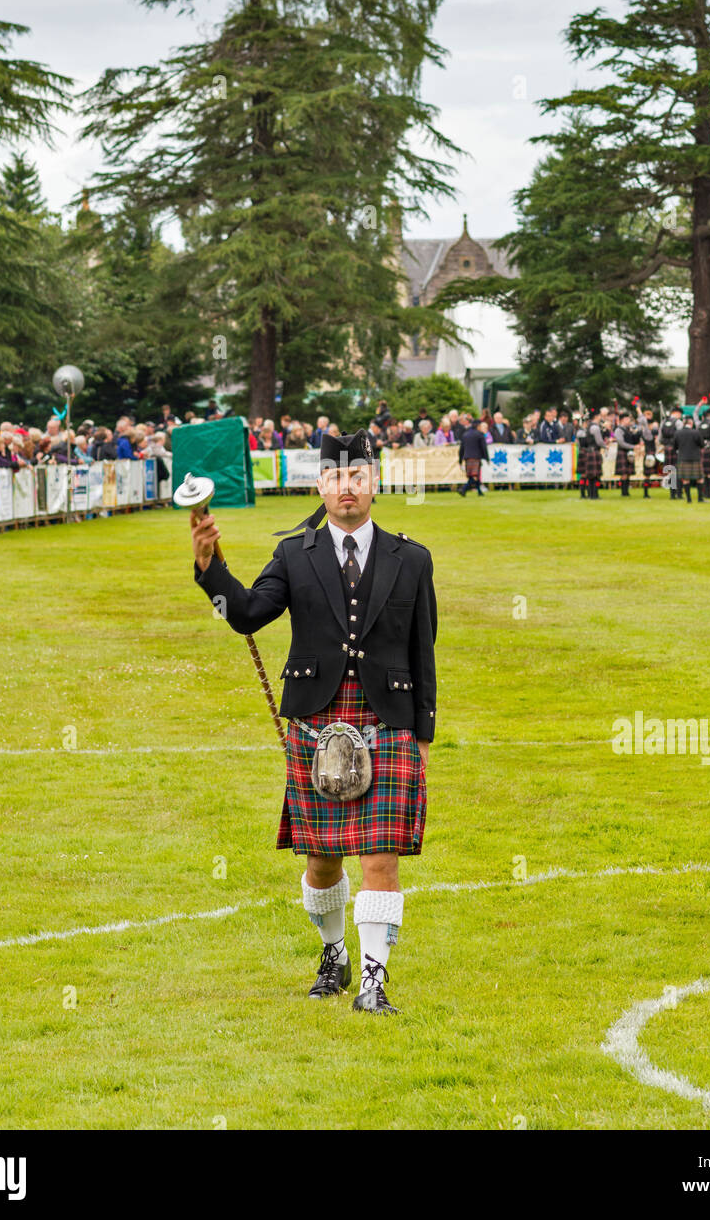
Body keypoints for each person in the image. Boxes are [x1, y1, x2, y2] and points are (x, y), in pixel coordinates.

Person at [191, 429, 436, 1015]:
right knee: (323, 858)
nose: (346, 487)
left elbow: (423, 648)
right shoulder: (293, 555)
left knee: (380, 855)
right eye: (335, 477)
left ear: (373, 482)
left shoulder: (412, 559)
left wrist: (424, 733)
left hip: (387, 720)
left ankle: (374, 982)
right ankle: (334, 954)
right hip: (316, 723)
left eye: (356, 476)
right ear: (319, 485)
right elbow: (246, 614)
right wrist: (210, 569)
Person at [674, 414, 705, 503]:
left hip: (683, 458)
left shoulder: (677, 433)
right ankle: (700, 499)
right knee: (700, 478)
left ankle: (689, 499)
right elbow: (702, 445)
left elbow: (675, 446)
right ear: (691, 423)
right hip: (695, 458)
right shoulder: (696, 432)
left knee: (685, 479)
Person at [456, 417, 489, 497]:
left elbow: (461, 449)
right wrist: (487, 458)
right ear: (478, 426)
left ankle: (479, 492)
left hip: (467, 458)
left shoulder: (465, 434)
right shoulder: (480, 434)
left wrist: (460, 460)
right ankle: (463, 489)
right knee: (474, 476)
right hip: (476, 458)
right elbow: (483, 447)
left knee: (474, 476)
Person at [613, 412, 639, 498]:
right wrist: (633, 446)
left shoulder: (629, 429)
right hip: (623, 452)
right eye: (627, 419)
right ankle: (623, 492)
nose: (629, 421)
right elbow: (621, 443)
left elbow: (633, 439)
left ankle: (627, 492)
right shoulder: (618, 430)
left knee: (628, 473)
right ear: (622, 420)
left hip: (629, 453)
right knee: (624, 473)